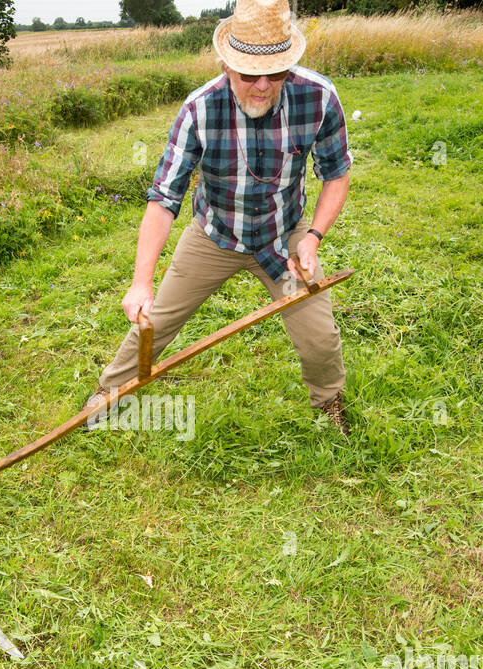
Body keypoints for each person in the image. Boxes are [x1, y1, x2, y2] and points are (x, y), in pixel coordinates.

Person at [85, 0, 353, 434]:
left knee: (319, 336)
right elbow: (163, 198)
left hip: (284, 241)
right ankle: (109, 392)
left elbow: (336, 175)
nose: (263, 86)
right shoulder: (199, 110)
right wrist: (140, 282)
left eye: (277, 72)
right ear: (226, 65)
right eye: (249, 74)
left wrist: (313, 238)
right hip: (215, 235)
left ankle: (328, 403)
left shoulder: (318, 97)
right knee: (158, 321)